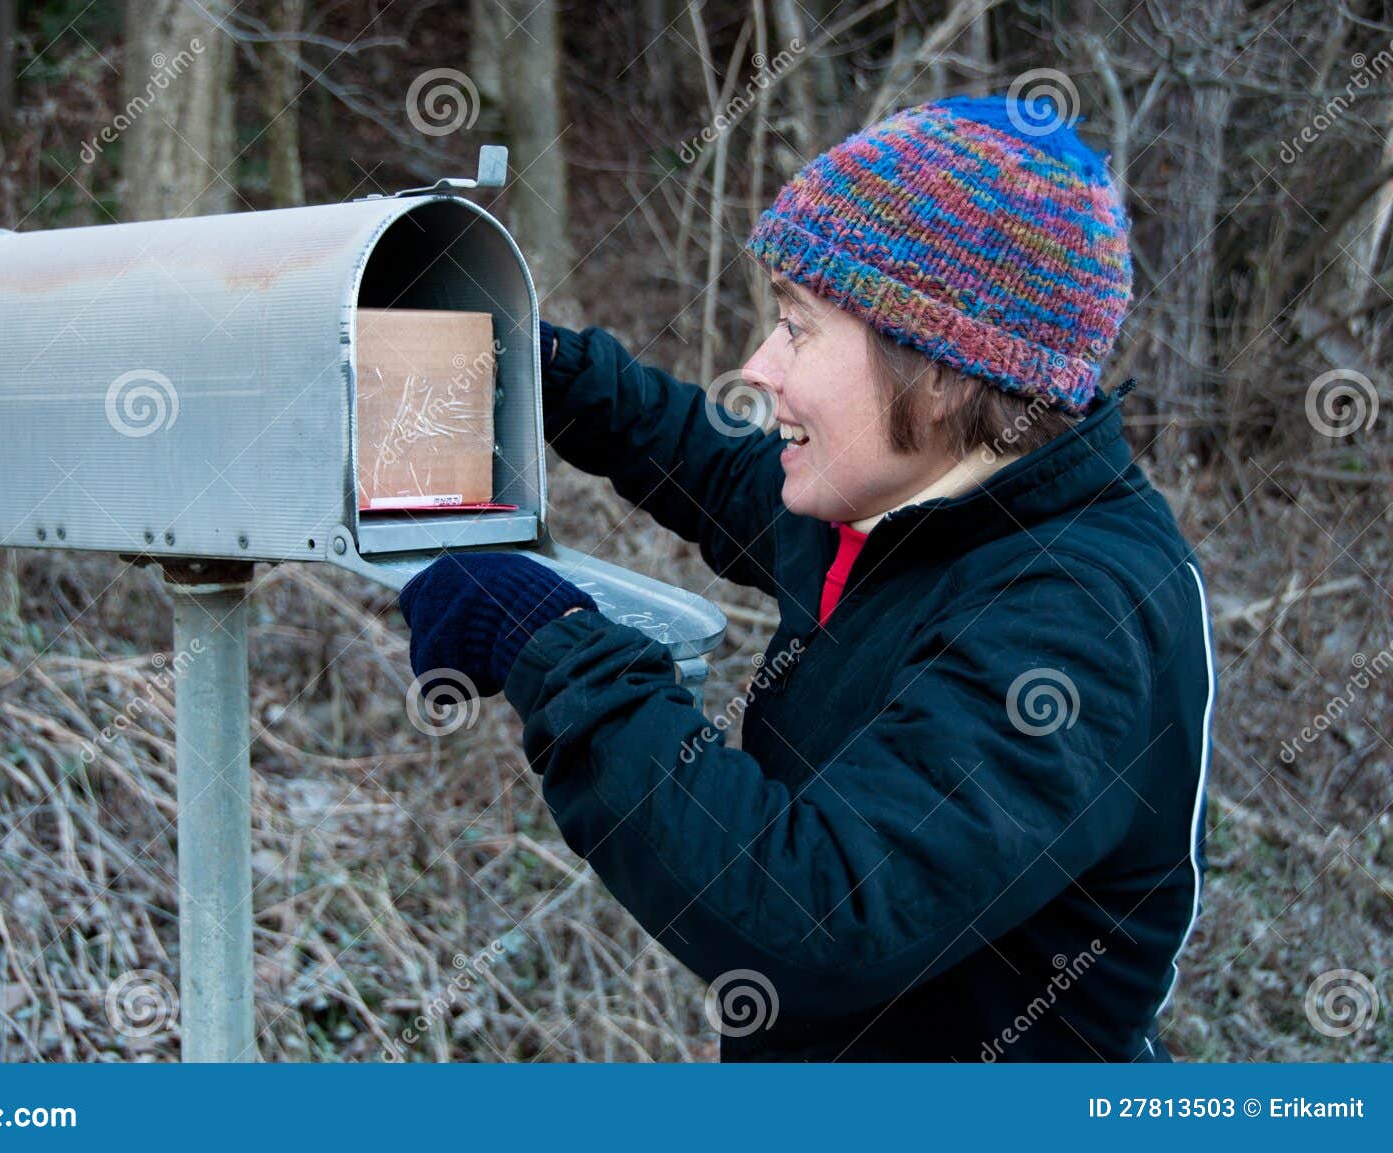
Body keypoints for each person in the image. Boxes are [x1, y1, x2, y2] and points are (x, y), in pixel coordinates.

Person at [396, 95, 1215, 1062]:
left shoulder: (1075, 616)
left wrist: (551, 645)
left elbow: (816, 914)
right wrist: (545, 372)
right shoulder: (916, 502)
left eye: (799, 325)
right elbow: (723, 471)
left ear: (943, 368)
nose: (761, 365)